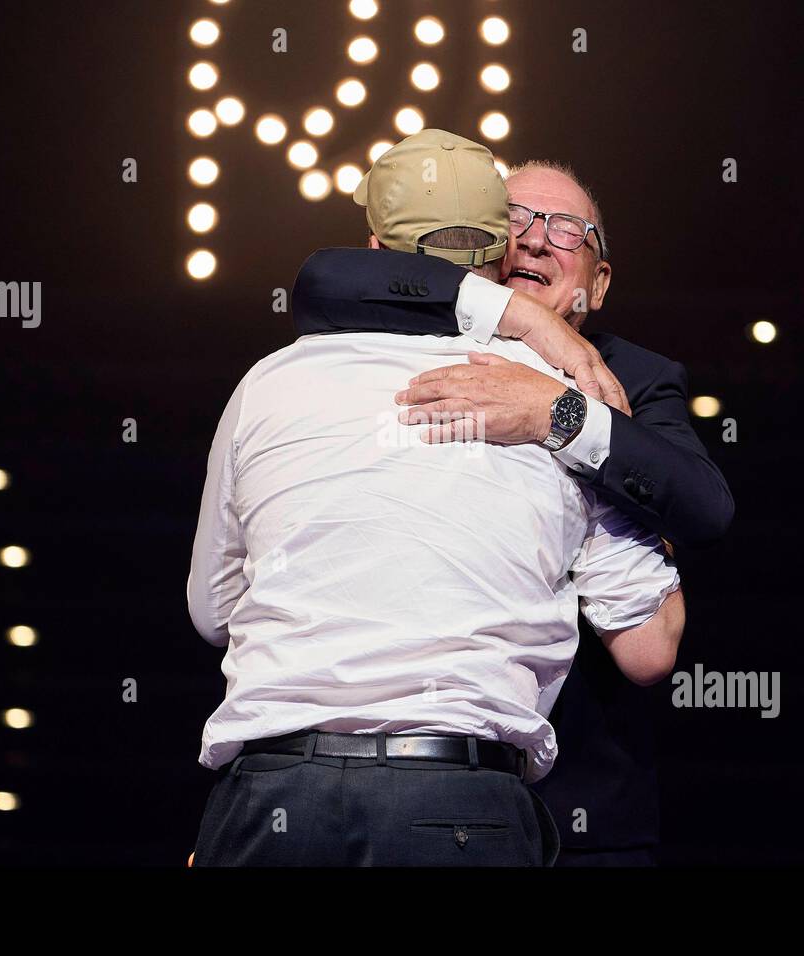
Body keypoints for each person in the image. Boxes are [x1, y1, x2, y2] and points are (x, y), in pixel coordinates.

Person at [186, 130, 683, 866]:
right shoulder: (554, 402)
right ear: (498, 258)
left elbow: (213, 612)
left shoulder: (269, 382)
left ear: (374, 250)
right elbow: (648, 645)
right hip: (457, 805)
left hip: (272, 801)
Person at [290, 157, 732, 864]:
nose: (532, 241)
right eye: (514, 221)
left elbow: (704, 507)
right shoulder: (399, 357)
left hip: (586, 809)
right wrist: (524, 319)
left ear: (599, 280)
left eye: (565, 230)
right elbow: (320, 278)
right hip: (415, 792)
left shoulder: (638, 378)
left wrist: (557, 414)